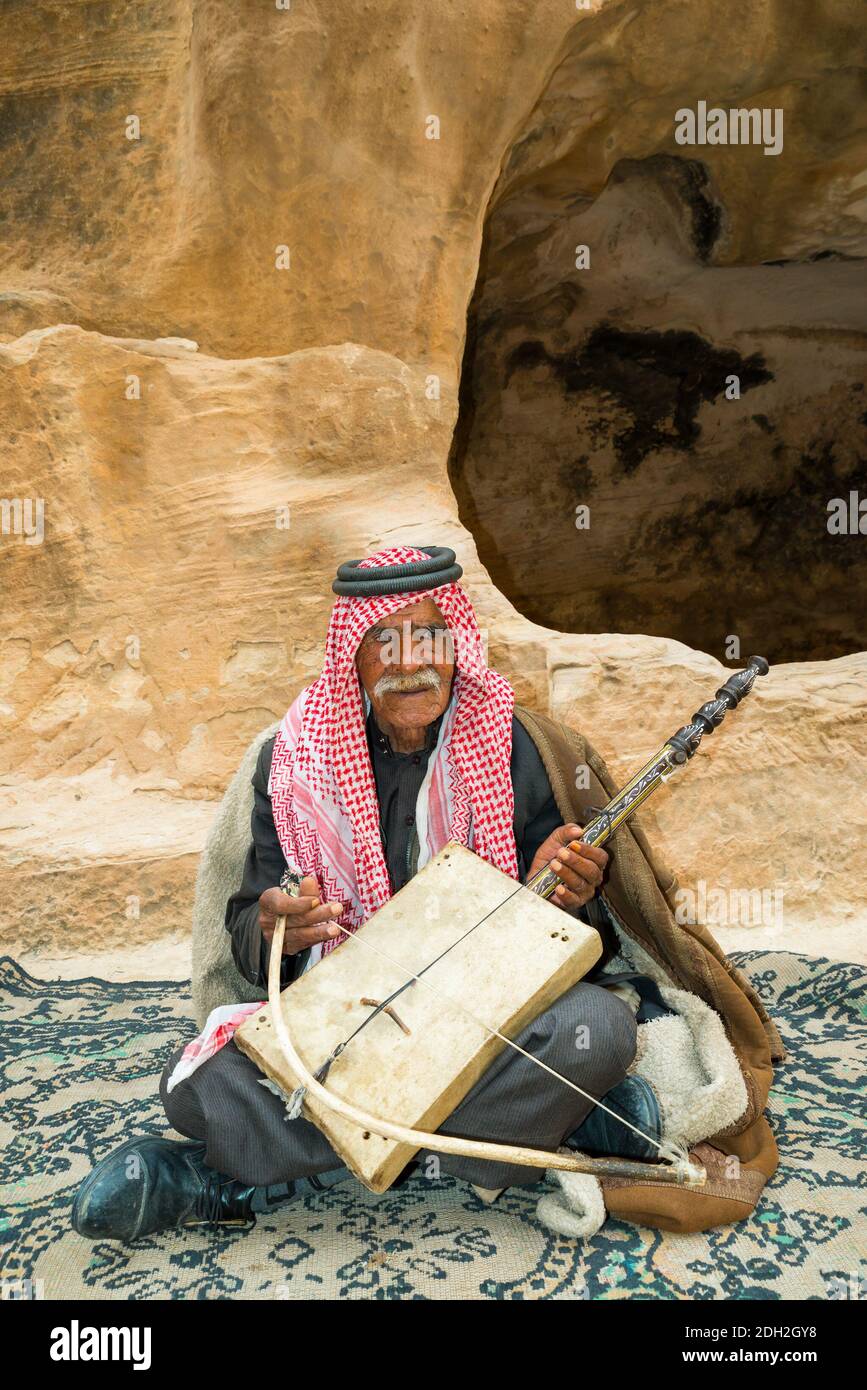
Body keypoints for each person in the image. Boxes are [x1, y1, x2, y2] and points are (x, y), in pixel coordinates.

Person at [72, 545, 661, 1242]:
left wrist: (564, 892)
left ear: (457, 644)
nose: (410, 661)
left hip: (487, 1016)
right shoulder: (294, 761)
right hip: (346, 1020)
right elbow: (243, 922)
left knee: (596, 1031)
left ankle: (231, 1174)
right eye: (385, 639)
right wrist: (273, 931)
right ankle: (543, 1131)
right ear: (351, 654)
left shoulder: (517, 747)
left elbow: (588, 935)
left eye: (430, 636)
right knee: (191, 1085)